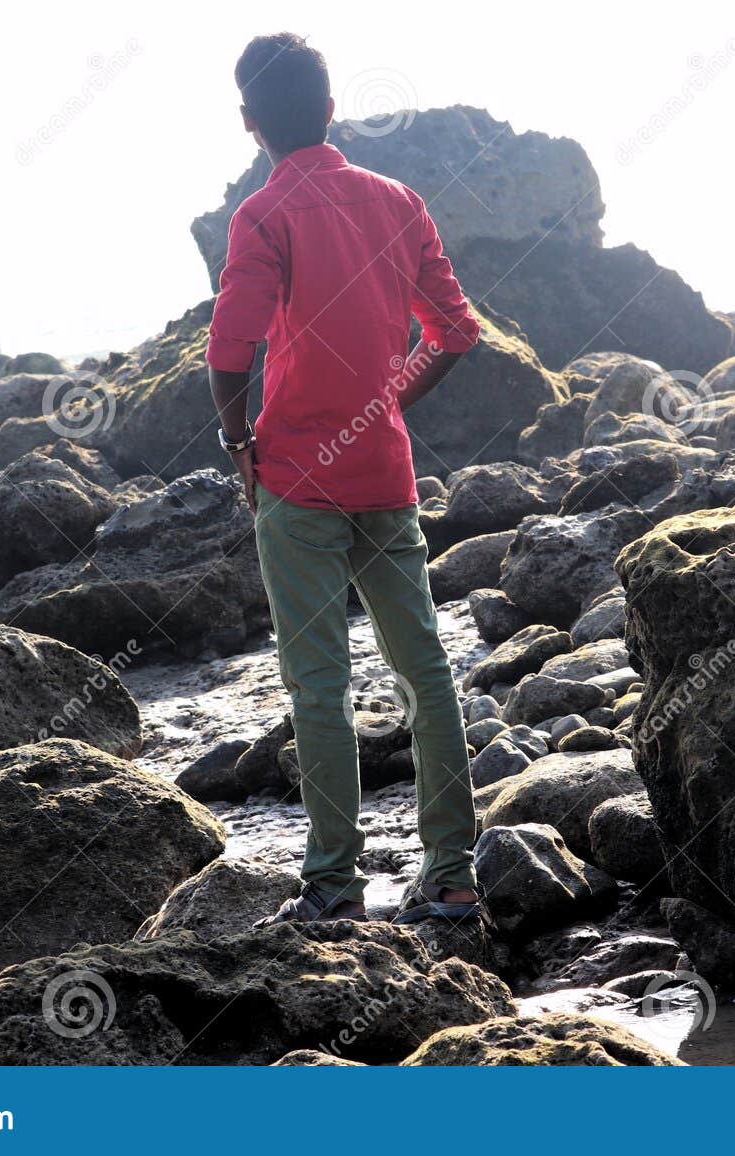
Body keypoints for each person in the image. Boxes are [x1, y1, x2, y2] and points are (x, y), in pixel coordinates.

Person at [206, 32, 482, 925]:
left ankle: (332, 888)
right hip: (384, 470)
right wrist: (391, 397)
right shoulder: (398, 200)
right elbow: (455, 328)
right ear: (330, 109)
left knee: (317, 686)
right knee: (424, 672)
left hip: (294, 478)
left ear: (250, 125)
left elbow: (228, 351)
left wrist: (238, 440)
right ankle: (451, 875)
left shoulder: (264, 215)